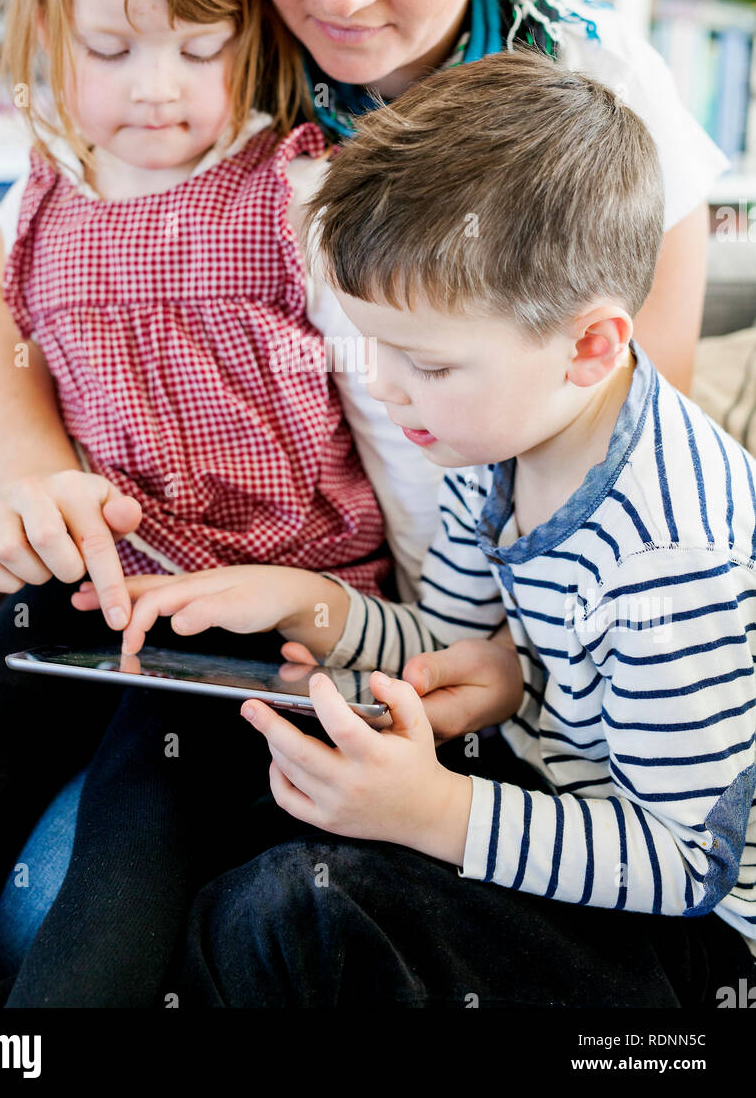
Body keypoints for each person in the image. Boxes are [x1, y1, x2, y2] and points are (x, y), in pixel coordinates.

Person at [0, 0, 729, 967]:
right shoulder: (207, 20)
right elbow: (2, 298)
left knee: (80, 903)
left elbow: (579, 511)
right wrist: (36, 502)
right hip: (185, 579)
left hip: (399, 639)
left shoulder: (594, 122)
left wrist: (479, 677)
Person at [104, 50, 754, 1008]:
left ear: (591, 346)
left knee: (307, 908)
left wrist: (438, 812)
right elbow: (448, 647)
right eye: (372, 344)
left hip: (692, 943)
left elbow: (686, 861)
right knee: (258, 786)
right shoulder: (495, 432)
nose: (382, 384)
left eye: (426, 363)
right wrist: (306, 602)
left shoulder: (668, 564)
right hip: (552, 801)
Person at [0, 0, 395, 1008]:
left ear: (255, 29)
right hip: (88, 581)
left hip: (247, 616)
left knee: (126, 867)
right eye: (108, 52)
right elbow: (20, 369)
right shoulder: (46, 187)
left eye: (195, 44)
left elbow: (412, 432)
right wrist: (20, 531)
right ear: (48, 34)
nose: (154, 93)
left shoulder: (299, 199)